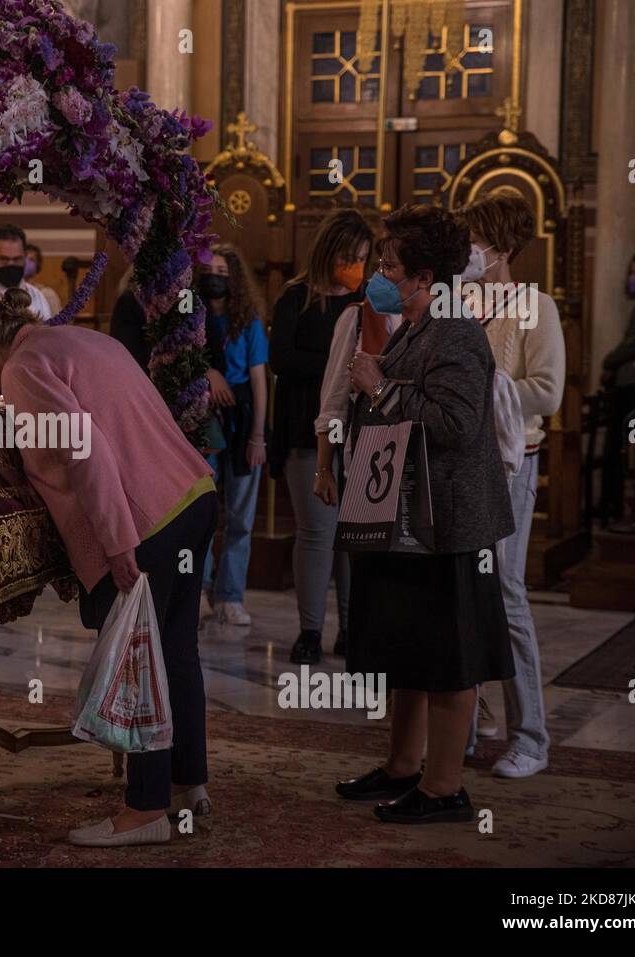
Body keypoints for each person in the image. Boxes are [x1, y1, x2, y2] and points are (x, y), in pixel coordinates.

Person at [0, 288, 217, 848]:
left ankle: (145, 809)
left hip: (145, 520)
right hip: (192, 494)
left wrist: (120, 545)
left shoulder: (23, 368)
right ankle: (186, 782)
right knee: (175, 649)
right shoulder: (81, 339)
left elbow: (85, 450)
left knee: (140, 658)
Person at [336, 203, 515, 824]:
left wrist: (379, 389)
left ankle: (445, 789)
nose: (379, 273)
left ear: (423, 276)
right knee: (408, 648)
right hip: (406, 520)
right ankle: (402, 766)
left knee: (447, 654)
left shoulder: (457, 332)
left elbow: (457, 425)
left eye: (389, 265)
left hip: (449, 524)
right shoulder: (415, 328)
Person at [453, 194, 564, 777]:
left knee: (506, 592)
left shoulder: (534, 306)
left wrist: (485, 390)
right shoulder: (459, 300)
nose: (469, 248)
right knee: (464, 593)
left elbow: (547, 392)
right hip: (460, 464)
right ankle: (462, 731)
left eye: (478, 239)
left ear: (502, 248)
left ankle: (530, 738)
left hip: (512, 463)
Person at [268, 209, 371, 663]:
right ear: (329, 252)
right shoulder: (297, 297)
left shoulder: (368, 300)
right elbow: (281, 359)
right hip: (305, 427)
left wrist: (346, 371)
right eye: (348, 256)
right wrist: (339, 370)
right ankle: (310, 630)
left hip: (359, 431)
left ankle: (352, 628)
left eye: (364, 258)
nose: (355, 266)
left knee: (354, 536)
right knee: (316, 531)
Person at [312, 286, 404, 654]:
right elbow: (335, 400)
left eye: (392, 265)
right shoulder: (357, 317)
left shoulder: (438, 320)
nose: (383, 275)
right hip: (370, 459)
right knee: (369, 569)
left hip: (418, 463)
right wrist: (324, 467)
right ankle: (369, 657)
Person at [197, 244, 269, 625]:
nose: (216, 278)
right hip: (204, 419)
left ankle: (230, 595)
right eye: (210, 270)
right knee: (204, 512)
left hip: (242, 422)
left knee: (241, 514)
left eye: (224, 272)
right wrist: (209, 373)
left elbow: (259, 381)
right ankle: (197, 588)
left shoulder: (249, 320)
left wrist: (258, 436)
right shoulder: (190, 315)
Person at [600, 254, 635, 525]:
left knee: (628, 441)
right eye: (633, 272)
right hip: (625, 384)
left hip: (631, 387)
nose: (634, 278)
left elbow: (633, 344)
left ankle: (618, 503)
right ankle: (613, 502)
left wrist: (608, 361)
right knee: (620, 443)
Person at [25, 242, 62, 315]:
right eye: (24, 258)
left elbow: (58, 323)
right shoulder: (8, 292)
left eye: (31, 260)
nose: (26, 262)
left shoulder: (47, 294)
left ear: (37, 265)